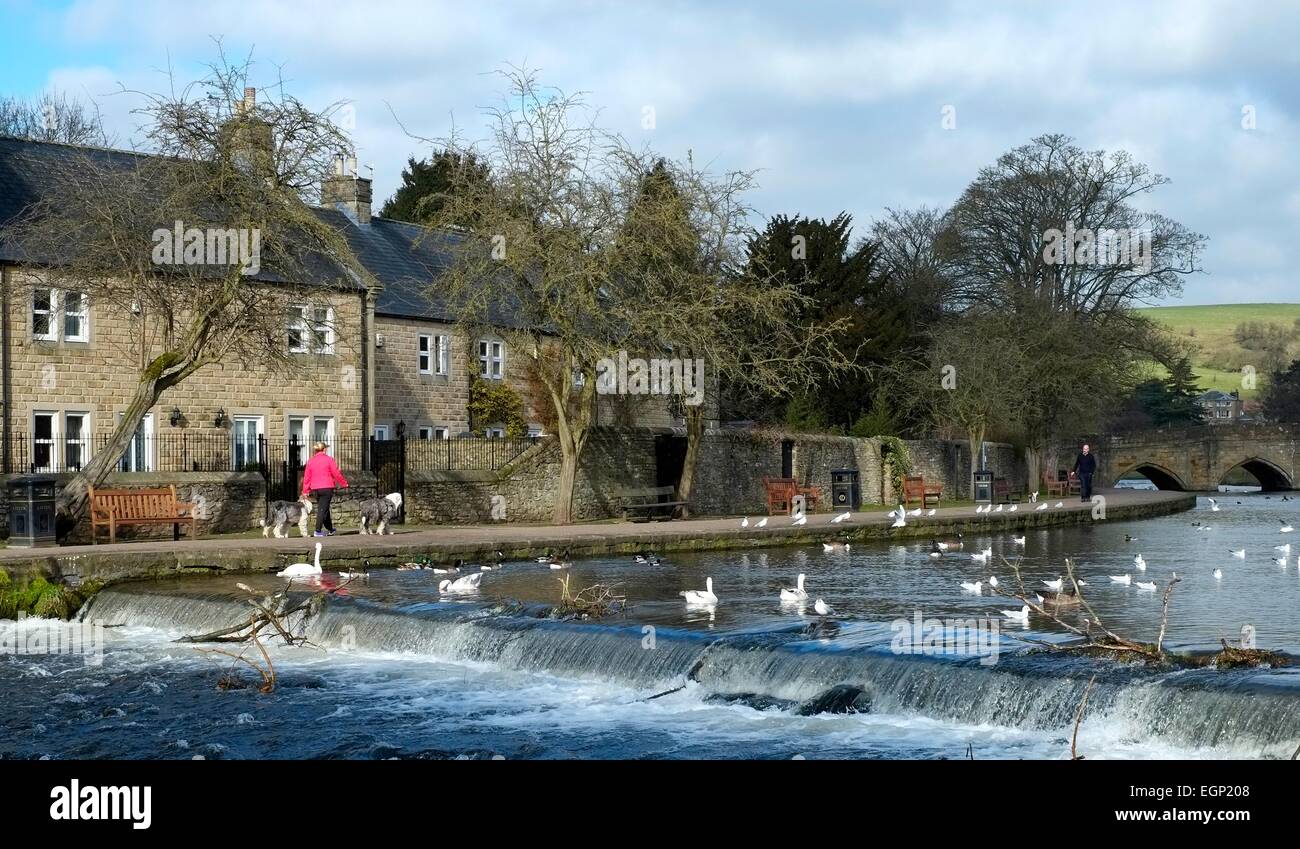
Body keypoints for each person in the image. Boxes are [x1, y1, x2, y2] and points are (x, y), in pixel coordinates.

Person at [301, 442, 348, 537]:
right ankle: (317, 531)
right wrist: (344, 483)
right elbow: (336, 473)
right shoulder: (329, 460)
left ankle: (330, 529)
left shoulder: (311, 461)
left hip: (315, 489)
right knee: (322, 509)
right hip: (326, 488)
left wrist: (305, 491)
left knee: (324, 508)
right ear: (324, 449)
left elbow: (307, 477)